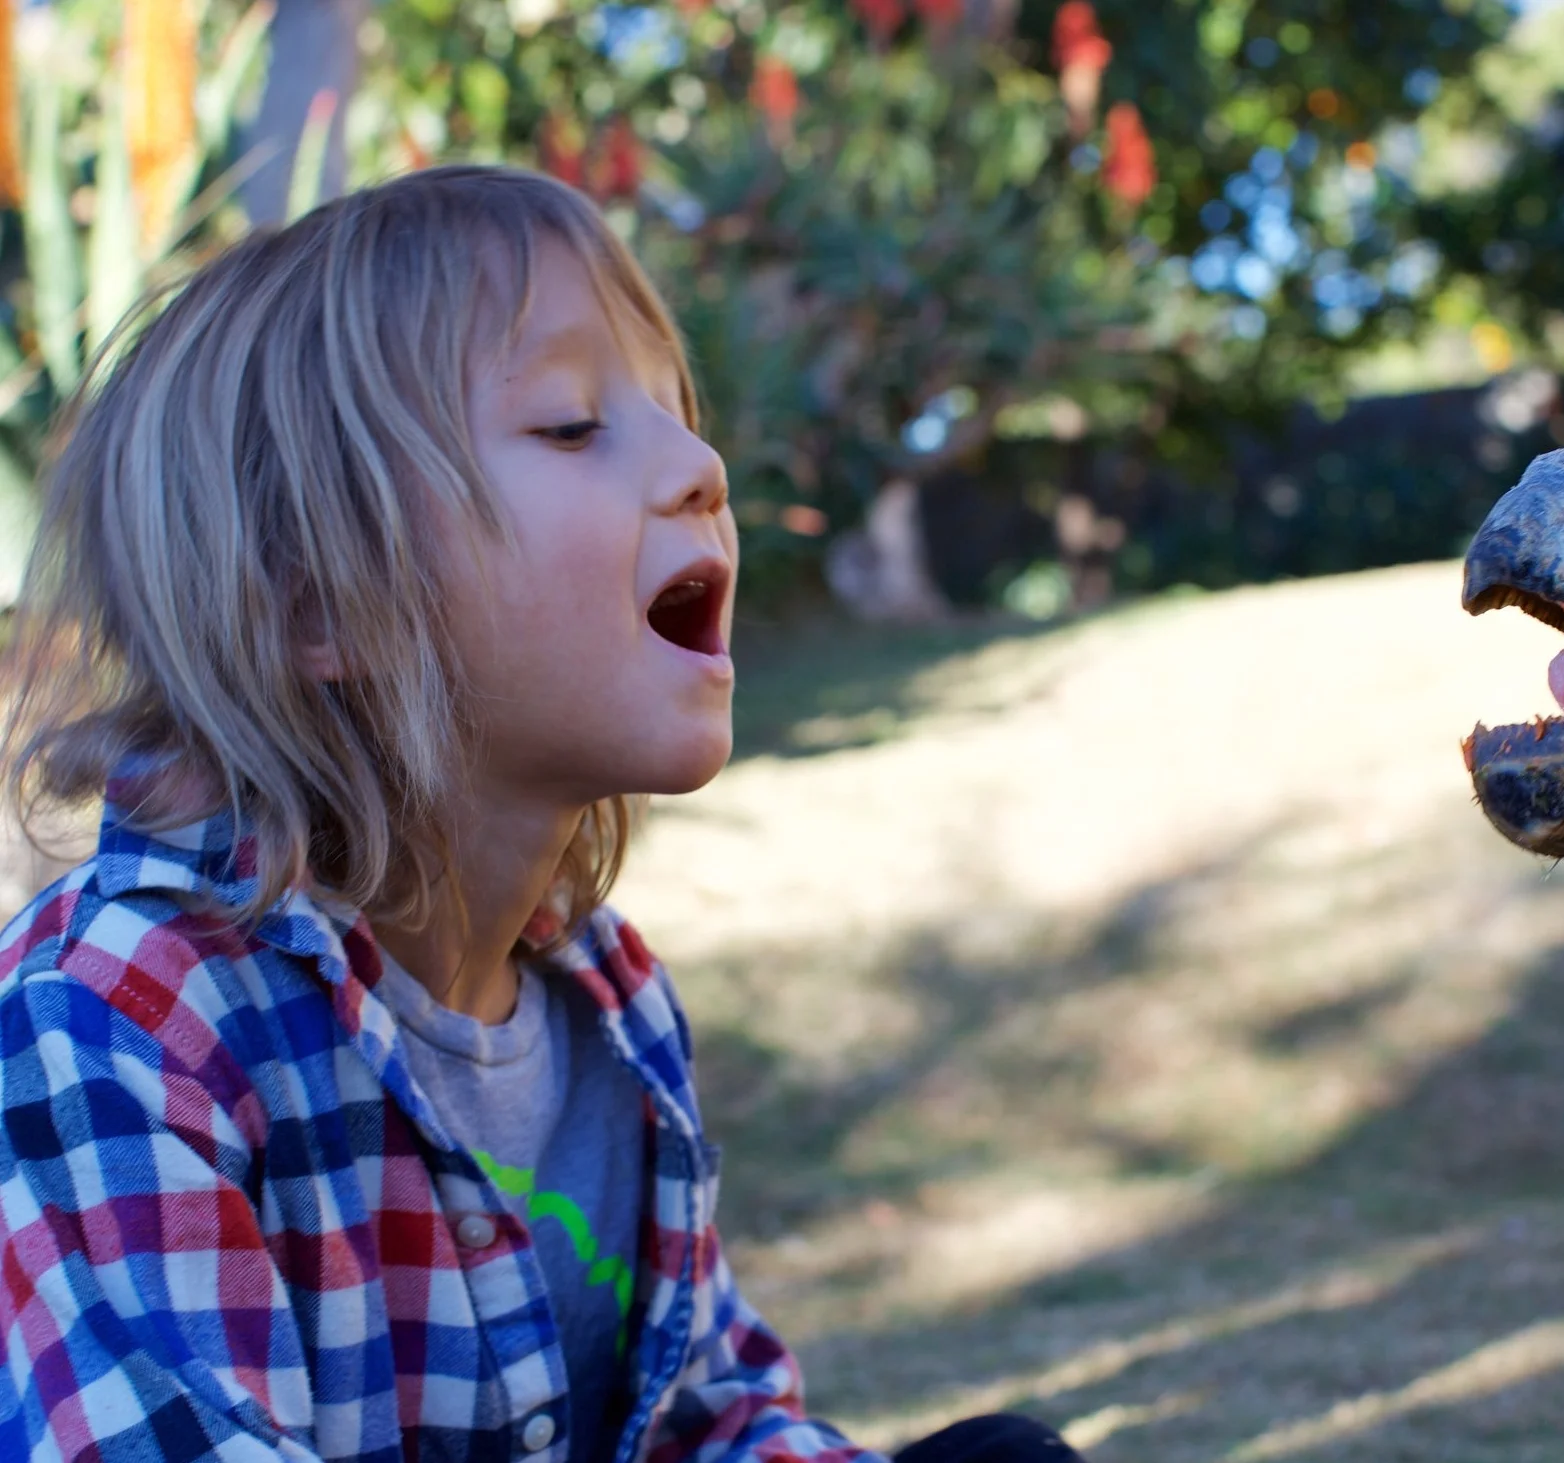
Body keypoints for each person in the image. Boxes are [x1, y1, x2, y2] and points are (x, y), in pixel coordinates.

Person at [0, 166, 1083, 1463]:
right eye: (572, 424)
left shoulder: (608, 1005)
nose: (697, 466)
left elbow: (703, 1416)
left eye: (681, 413)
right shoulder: (119, 1014)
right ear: (315, 607)